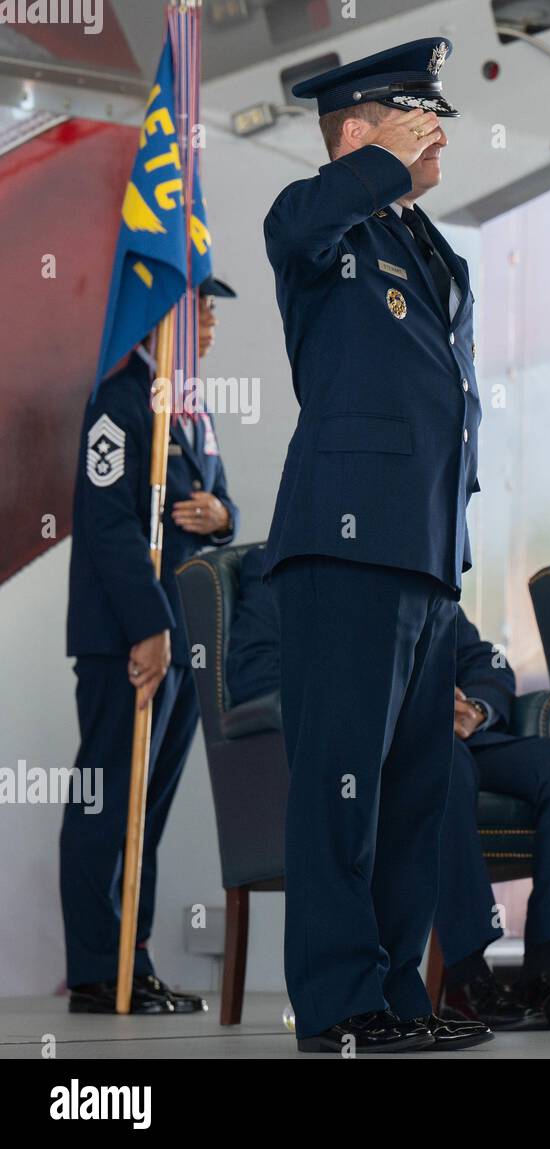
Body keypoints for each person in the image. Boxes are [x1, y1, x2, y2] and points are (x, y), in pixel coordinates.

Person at [262, 37, 489, 1054]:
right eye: (412, 111)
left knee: (408, 799)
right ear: (356, 130)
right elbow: (307, 219)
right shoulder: (316, 219)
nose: (435, 125)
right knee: (339, 791)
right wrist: (374, 166)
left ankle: (397, 995)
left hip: (427, 555)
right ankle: (339, 1005)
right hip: (345, 546)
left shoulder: (432, 249)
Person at [226, 546, 550, 1032]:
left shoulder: (412, 560)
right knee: (440, 766)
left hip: (463, 735)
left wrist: (474, 708)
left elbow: (485, 660)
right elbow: (253, 672)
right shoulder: (287, 566)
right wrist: (399, 703)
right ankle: (468, 980)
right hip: (378, 748)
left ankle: (541, 971)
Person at [62, 276, 240, 1014]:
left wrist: (222, 513)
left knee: (148, 811)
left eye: (210, 311)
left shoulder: (190, 412)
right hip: (130, 642)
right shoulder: (119, 399)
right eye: (196, 307)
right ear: (160, 315)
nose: (207, 322)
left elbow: (219, 505)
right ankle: (96, 972)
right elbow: (108, 525)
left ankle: (133, 960)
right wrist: (148, 626)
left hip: (182, 643)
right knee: (107, 803)